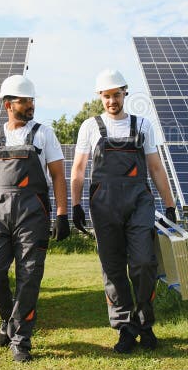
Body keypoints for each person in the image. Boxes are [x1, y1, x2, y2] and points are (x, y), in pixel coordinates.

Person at [0, 74, 69, 363]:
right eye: (24, 100)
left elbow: (57, 175)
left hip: (33, 212)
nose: (31, 104)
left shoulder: (45, 133)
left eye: (32, 100)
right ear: (8, 104)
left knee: (29, 276)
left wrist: (62, 214)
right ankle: (8, 318)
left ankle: (21, 339)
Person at [70, 69, 177, 354]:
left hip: (138, 201)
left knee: (144, 262)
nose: (112, 100)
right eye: (106, 96)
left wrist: (169, 204)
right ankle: (125, 328)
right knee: (113, 268)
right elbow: (79, 169)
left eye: (117, 95)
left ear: (125, 93)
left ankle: (144, 322)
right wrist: (76, 204)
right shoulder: (89, 127)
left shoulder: (142, 125)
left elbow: (155, 167)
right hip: (103, 206)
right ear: (100, 97)